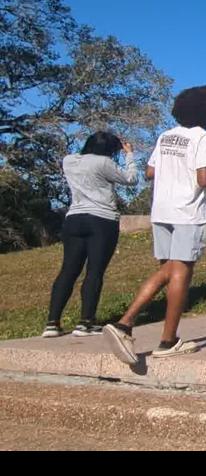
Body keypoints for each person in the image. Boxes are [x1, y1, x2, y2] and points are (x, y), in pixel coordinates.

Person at [102, 85, 206, 366]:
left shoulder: (166, 137)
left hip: (162, 211)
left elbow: (149, 172)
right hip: (187, 212)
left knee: (169, 270)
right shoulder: (204, 138)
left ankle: (167, 337)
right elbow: (204, 179)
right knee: (180, 270)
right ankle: (131, 326)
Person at [44, 131, 139, 337]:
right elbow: (131, 179)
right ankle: (86, 322)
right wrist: (129, 155)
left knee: (68, 271)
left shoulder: (69, 161)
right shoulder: (104, 163)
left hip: (74, 218)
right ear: (109, 150)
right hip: (101, 219)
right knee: (94, 271)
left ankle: (52, 322)